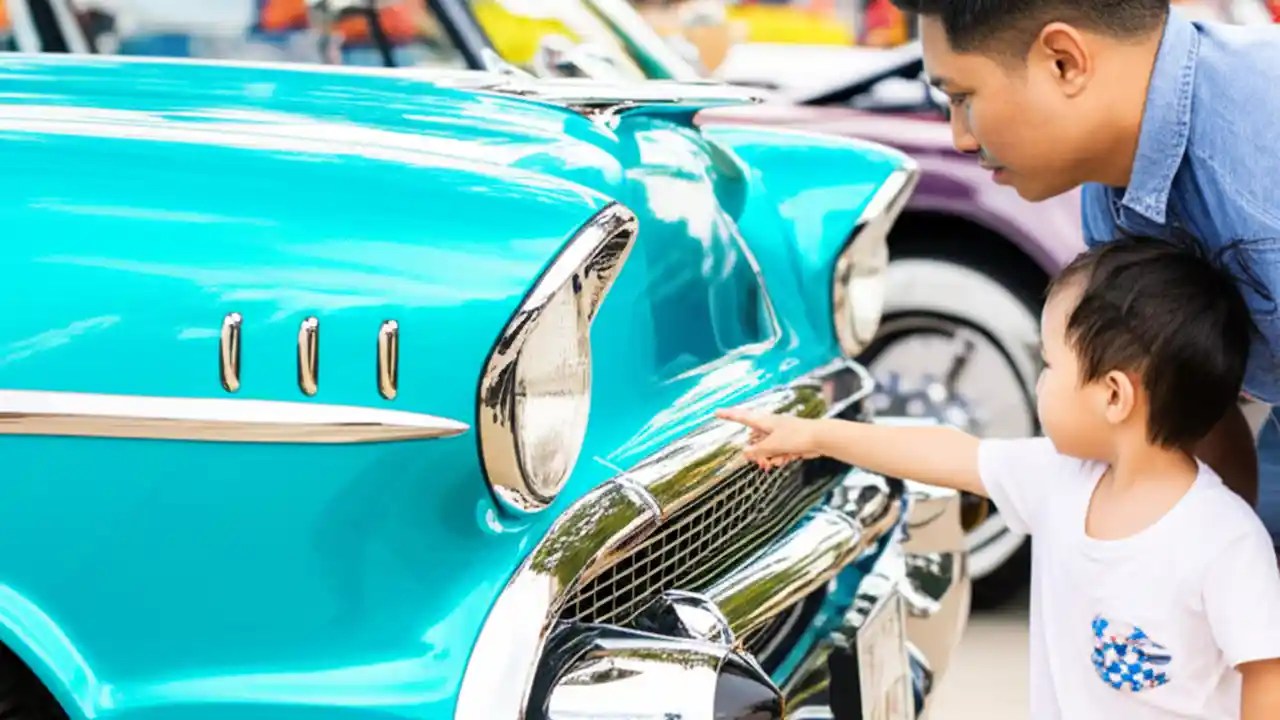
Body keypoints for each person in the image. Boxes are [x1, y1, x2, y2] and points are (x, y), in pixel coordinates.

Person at [717, 238, 1280, 718]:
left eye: (1051, 365)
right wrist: (817, 436)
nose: (1039, 383)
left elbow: (1266, 674)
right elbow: (945, 451)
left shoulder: (1224, 540)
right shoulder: (1062, 481)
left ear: (1113, 395)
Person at [881, 0, 1280, 518]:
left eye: (962, 97)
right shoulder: (1113, 196)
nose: (961, 137)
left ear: (1063, 61)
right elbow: (1190, 414)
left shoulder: (1258, 169)